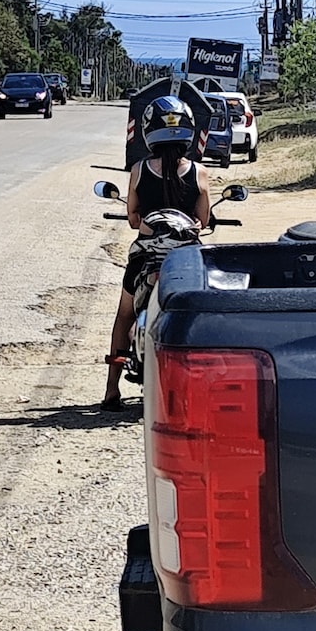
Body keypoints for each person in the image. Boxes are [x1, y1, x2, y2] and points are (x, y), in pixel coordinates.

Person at [101, 95, 210, 411]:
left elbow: (133, 217)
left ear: (149, 130)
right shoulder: (199, 173)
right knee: (196, 314)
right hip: (186, 261)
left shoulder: (139, 170)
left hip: (146, 258)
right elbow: (202, 221)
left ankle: (111, 390)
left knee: (124, 316)